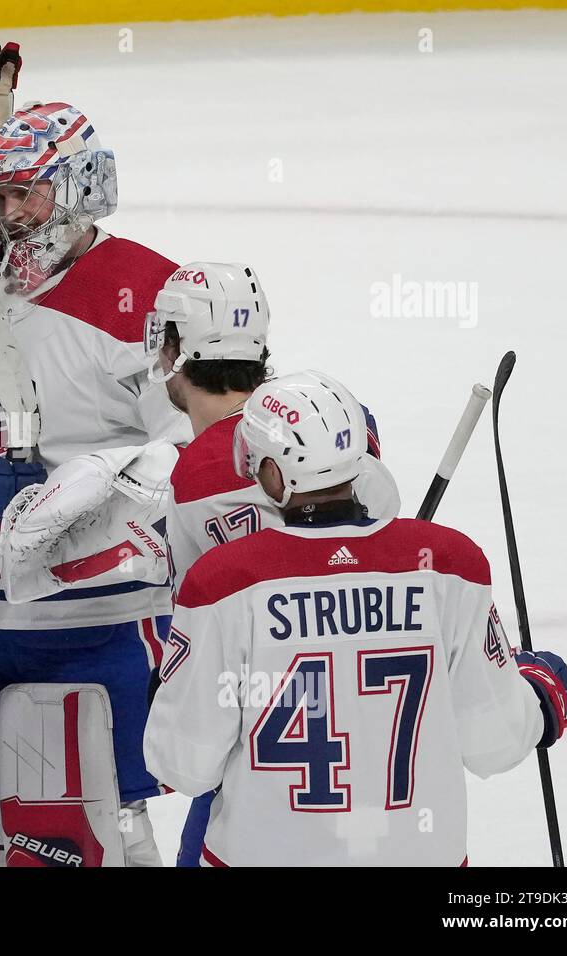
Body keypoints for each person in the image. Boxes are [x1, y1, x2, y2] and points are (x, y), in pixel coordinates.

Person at [143, 369, 567, 865]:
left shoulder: (224, 583)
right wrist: (540, 697)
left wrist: (169, 693)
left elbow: (185, 765)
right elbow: (493, 742)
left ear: (273, 473)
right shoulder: (448, 566)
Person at [0, 99, 189, 866]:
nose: (8, 213)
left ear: (82, 188)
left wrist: (77, 503)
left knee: (104, 827)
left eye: (28, 192)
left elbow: (190, 455)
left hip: (98, 624)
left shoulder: (147, 293)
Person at [144, 261, 400, 864]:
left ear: (181, 347)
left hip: (260, 755)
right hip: (378, 746)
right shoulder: (334, 429)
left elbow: (195, 622)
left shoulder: (191, 477)